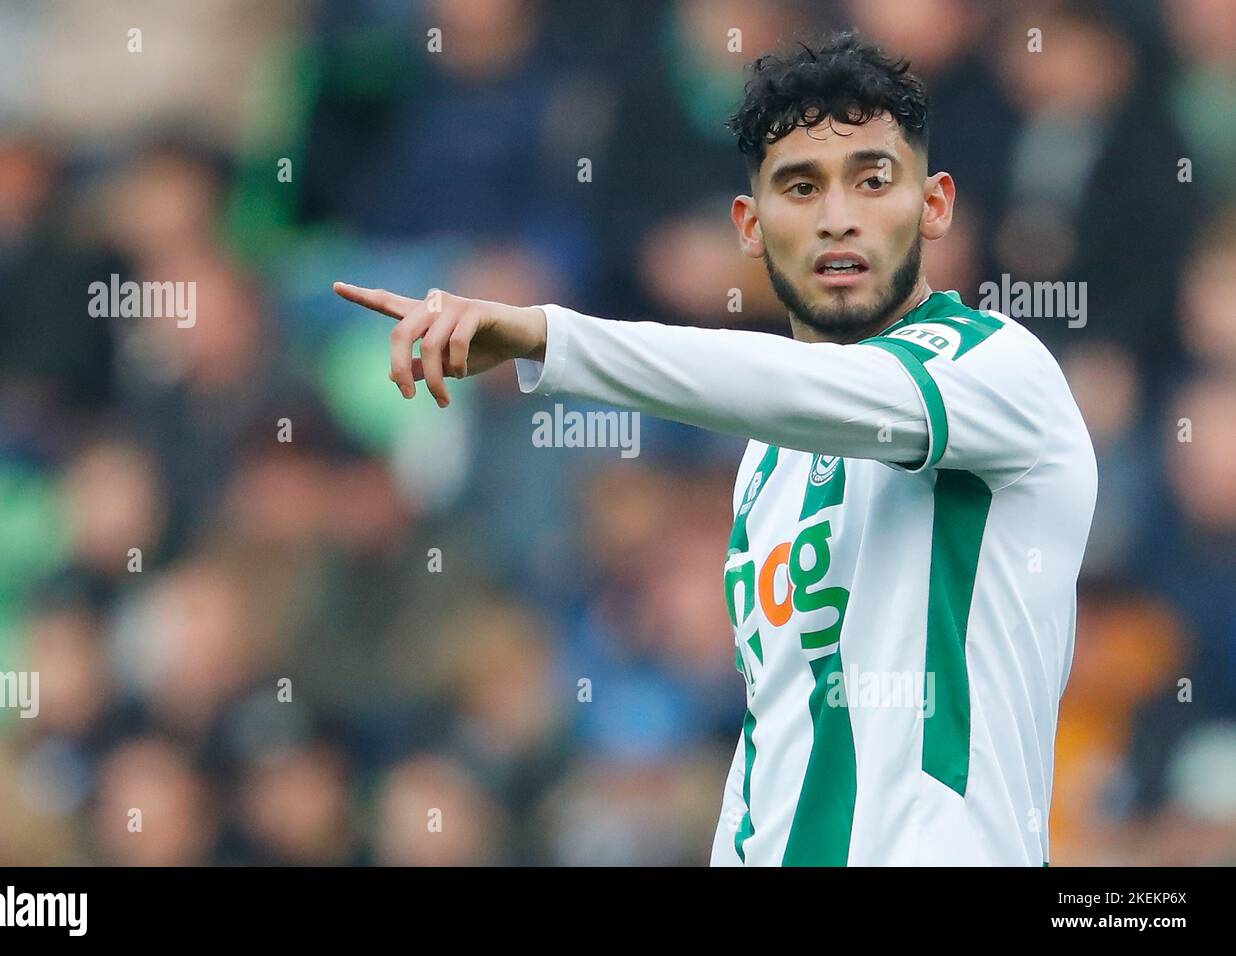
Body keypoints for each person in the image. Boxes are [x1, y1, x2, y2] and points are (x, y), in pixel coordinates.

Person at [333, 32, 1097, 866]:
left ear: (935, 205)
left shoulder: (1000, 371)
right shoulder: (768, 463)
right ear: (749, 224)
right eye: (800, 187)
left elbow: (822, 391)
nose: (838, 215)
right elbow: (771, 748)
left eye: (873, 180)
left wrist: (547, 336)